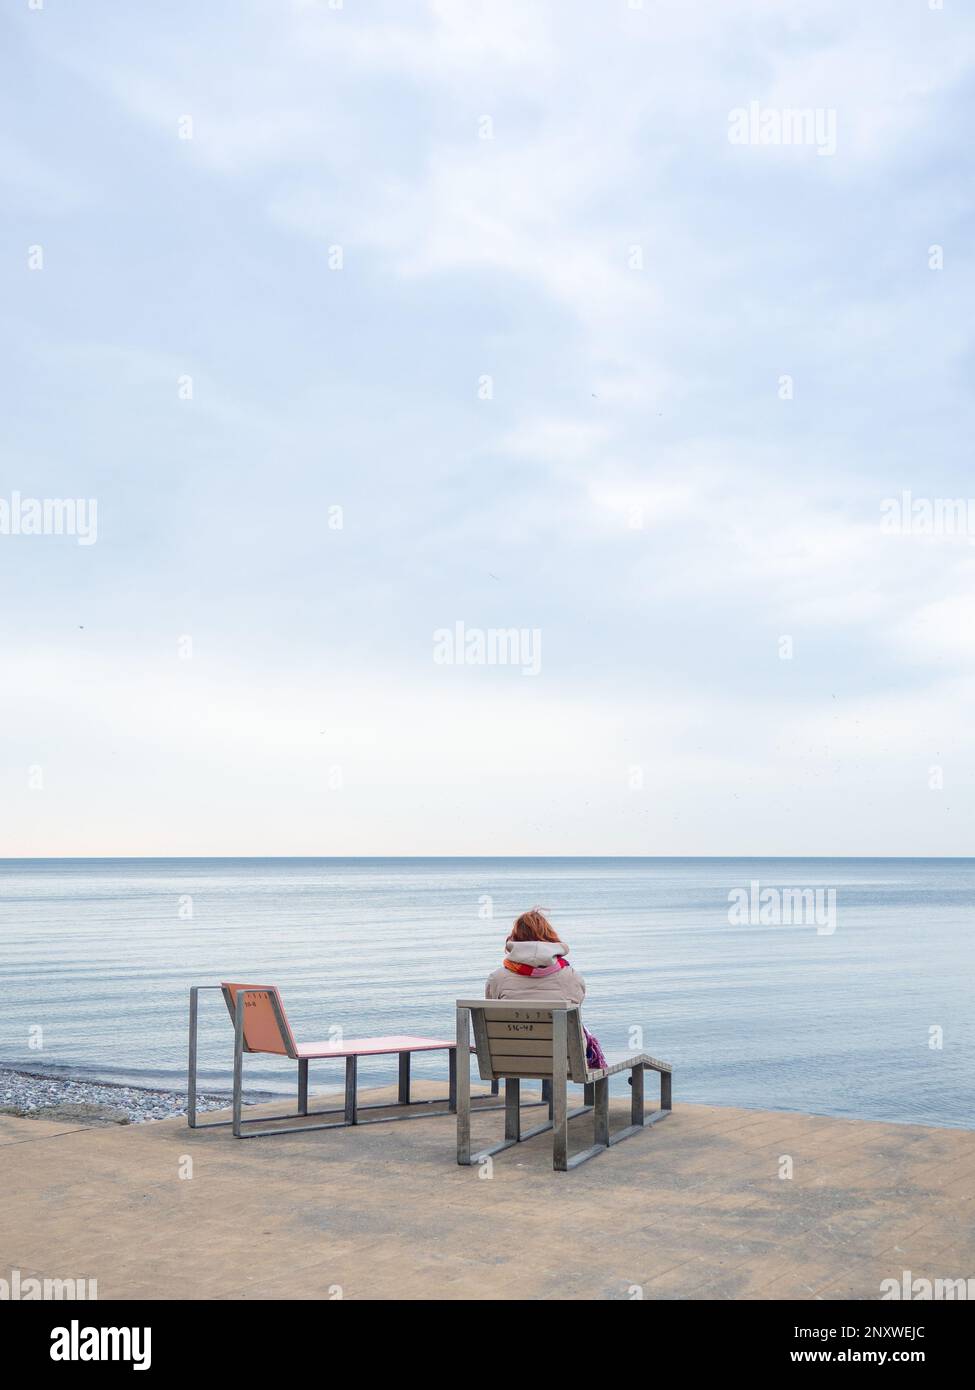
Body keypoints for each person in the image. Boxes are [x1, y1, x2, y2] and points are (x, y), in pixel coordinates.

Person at [485, 908, 606, 1068]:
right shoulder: (572, 977)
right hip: (565, 1059)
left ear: (514, 939)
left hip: (510, 1058)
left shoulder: (497, 978)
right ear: (550, 938)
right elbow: (577, 1006)